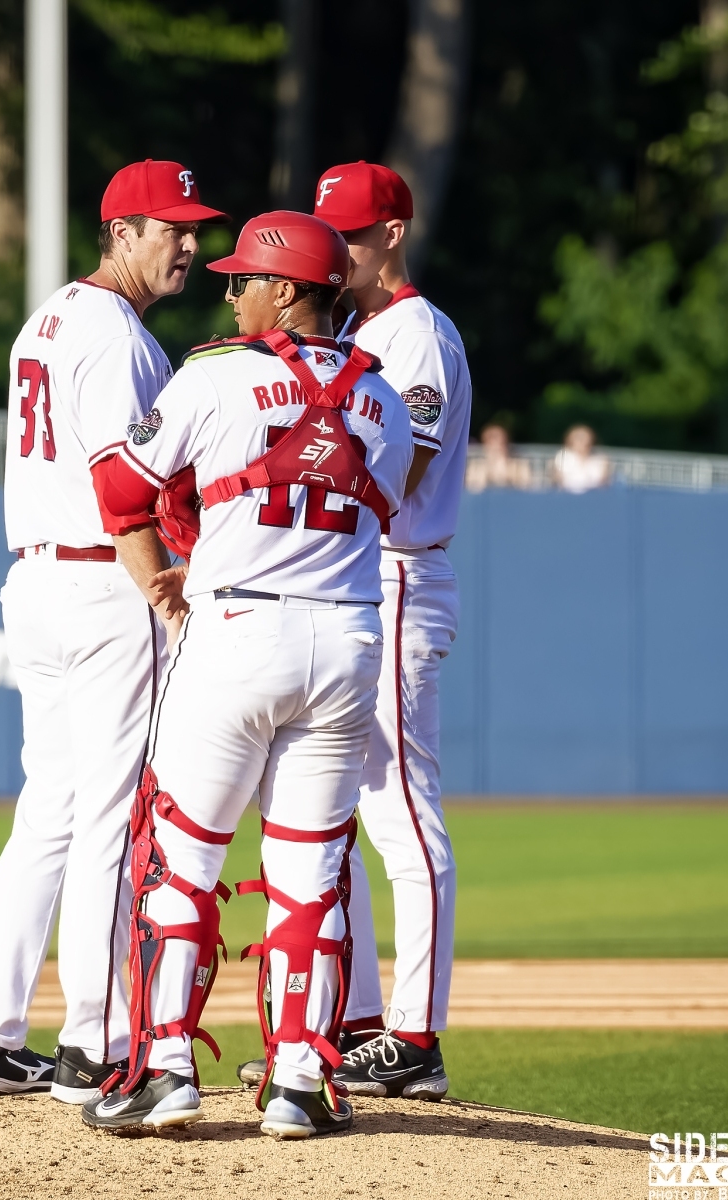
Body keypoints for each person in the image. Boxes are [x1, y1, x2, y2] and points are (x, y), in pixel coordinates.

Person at [80, 210, 413, 1138]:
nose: (232, 295)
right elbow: (388, 497)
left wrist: (170, 559)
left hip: (237, 633)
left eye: (245, 281)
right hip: (345, 640)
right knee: (311, 871)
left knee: (178, 857)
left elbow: (120, 485)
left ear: (288, 290)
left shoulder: (216, 375)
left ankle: (165, 1072)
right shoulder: (382, 398)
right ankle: (302, 1081)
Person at [0, 160, 224, 1099]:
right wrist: (163, 590)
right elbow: (124, 485)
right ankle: (94, 1041)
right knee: (108, 813)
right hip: (105, 583)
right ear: (120, 233)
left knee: (48, 813)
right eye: (169, 228)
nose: (186, 244)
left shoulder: (49, 317)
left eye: (192, 229)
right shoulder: (119, 338)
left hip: (35, 580)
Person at [302, 160, 473, 1100]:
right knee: (335, 807)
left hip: (401, 574)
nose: (340, 251)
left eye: (354, 236)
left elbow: (401, 478)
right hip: (355, 580)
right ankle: (363, 1025)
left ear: (393, 233)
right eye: (331, 237)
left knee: (402, 811)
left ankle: (416, 1039)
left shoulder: (417, 336)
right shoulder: (364, 331)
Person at [466, 423, 533, 492]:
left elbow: (525, 485)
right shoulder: (477, 465)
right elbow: (473, 487)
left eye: (499, 441)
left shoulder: (519, 463)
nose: (495, 446)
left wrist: (505, 470)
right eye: (490, 442)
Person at [552, 424, 611, 493]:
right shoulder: (562, 456)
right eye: (579, 439)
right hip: (568, 494)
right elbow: (558, 478)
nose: (582, 443)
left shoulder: (600, 458)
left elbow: (603, 480)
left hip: (593, 495)